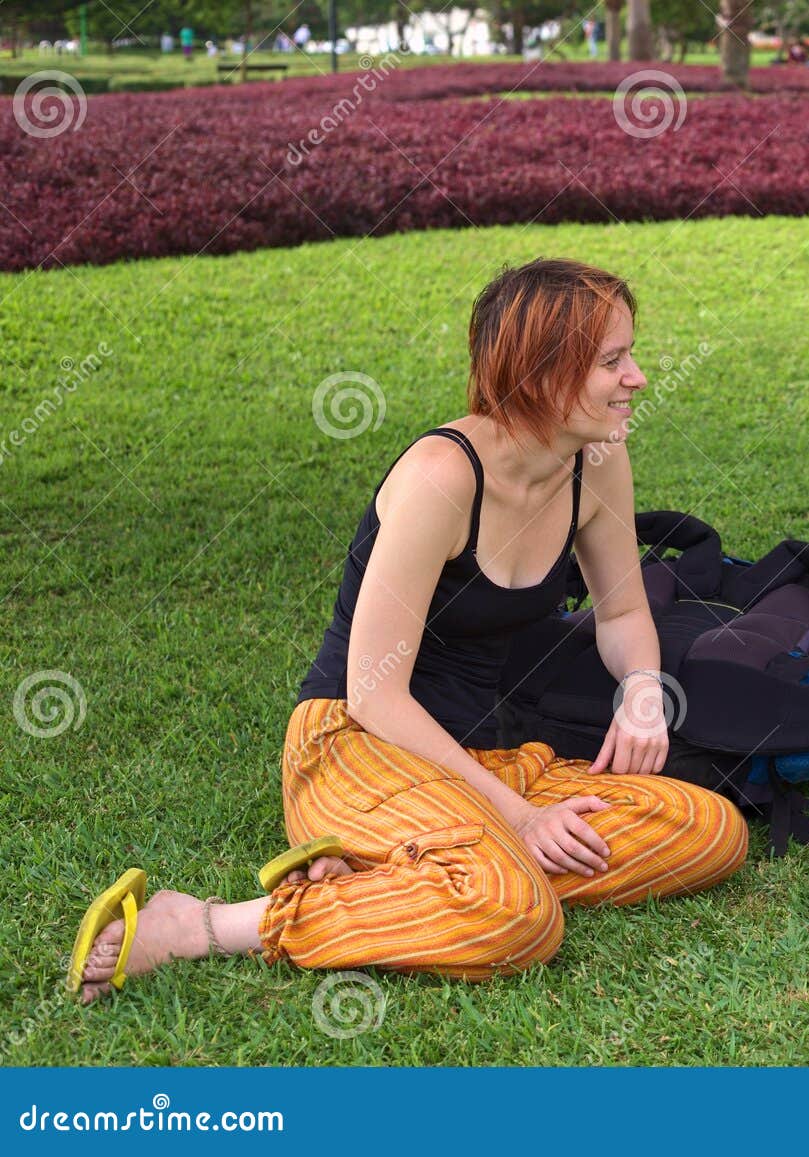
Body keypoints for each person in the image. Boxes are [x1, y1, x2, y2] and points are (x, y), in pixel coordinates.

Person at [68, 260, 748, 1003]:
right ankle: (202, 922)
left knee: (709, 828)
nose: (638, 378)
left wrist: (644, 690)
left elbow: (621, 613)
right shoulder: (442, 478)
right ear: (540, 373)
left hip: (478, 754)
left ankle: (405, 868)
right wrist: (519, 818)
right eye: (612, 362)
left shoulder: (597, 459)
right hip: (355, 744)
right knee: (517, 915)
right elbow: (373, 692)